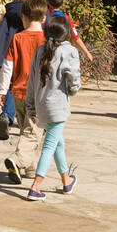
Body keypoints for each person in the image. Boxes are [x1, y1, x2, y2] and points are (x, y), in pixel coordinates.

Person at [24, 17, 79, 200]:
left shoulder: (40, 50)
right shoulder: (69, 51)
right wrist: (73, 89)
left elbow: (31, 80)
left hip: (40, 105)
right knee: (49, 146)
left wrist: (30, 104)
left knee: (57, 143)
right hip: (57, 107)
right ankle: (36, 186)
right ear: (66, 33)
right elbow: (73, 79)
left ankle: (66, 181)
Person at [0, 0, 47, 185]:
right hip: (39, 95)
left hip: (18, 92)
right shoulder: (46, 40)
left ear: (23, 17)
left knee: (26, 131)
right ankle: (17, 160)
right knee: (33, 133)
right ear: (44, 19)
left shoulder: (17, 38)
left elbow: (7, 65)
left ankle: (30, 168)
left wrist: (2, 90)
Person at [0, 0, 46, 139]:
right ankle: (27, 133)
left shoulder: (13, 8)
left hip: (14, 48)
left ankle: (6, 115)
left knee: (14, 83)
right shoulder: (40, 11)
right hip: (34, 53)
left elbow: (3, 29)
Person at [46, 0, 93, 66]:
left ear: (46, 0)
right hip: (61, 55)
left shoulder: (42, 16)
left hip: (45, 52)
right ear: (62, 2)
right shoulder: (66, 18)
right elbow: (75, 37)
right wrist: (86, 52)